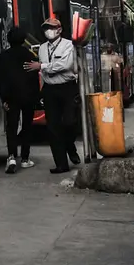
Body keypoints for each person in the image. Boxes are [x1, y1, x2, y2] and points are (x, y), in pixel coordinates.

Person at [26, 17, 81, 174]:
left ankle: (70, 146)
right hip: (50, 89)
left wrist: (42, 66)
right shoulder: (42, 48)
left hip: (67, 88)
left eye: (51, 27)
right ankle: (61, 164)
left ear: (59, 29)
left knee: (70, 123)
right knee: (53, 128)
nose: (48, 31)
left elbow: (65, 65)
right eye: (45, 28)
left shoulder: (68, 45)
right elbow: (42, 70)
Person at [0, 27, 39, 173]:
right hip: (28, 96)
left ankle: (11, 156)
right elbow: (34, 78)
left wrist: (4, 99)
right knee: (27, 127)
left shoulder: (3, 56)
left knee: (12, 127)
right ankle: (25, 158)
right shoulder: (30, 55)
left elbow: (2, 79)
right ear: (23, 40)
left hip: (11, 97)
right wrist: (36, 97)